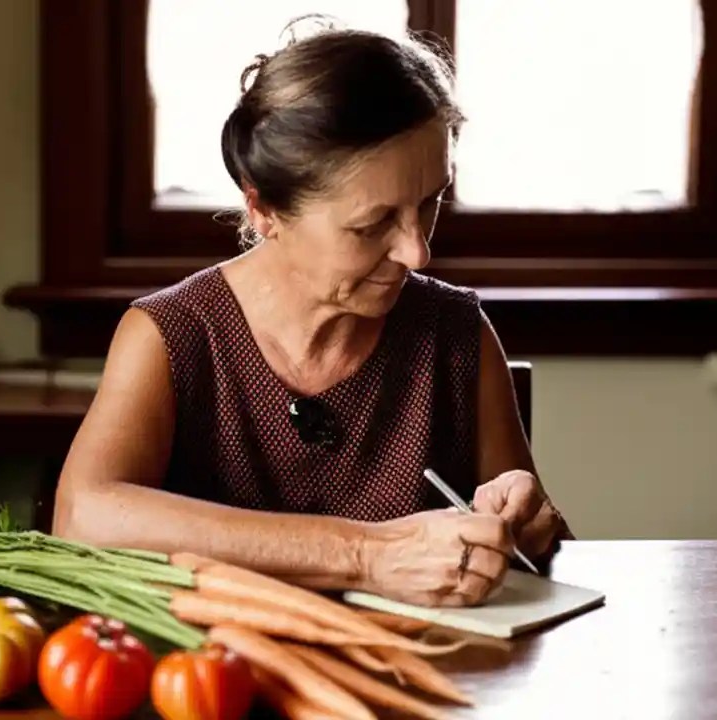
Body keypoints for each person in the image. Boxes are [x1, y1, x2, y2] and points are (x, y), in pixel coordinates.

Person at [52, 21, 573, 608]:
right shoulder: (173, 337)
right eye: (371, 224)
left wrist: (525, 521)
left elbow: (534, 558)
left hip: (429, 682)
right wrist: (366, 555)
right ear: (265, 209)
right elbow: (82, 516)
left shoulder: (456, 335)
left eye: (430, 204)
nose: (416, 252)